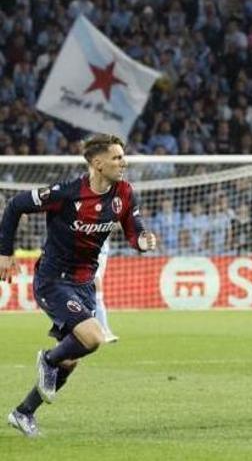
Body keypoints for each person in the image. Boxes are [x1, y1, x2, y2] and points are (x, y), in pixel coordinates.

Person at [0, 134, 157, 437]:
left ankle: (23, 412)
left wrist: (143, 240)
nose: (123, 163)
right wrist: (5, 253)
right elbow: (14, 206)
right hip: (53, 280)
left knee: (71, 360)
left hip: (85, 284)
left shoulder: (124, 192)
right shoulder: (67, 193)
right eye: (116, 158)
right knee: (94, 337)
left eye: (123, 157)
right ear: (97, 163)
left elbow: (134, 231)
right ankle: (47, 358)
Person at [94, 240, 118, 343]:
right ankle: (104, 330)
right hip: (88, 253)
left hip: (102, 252)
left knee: (91, 294)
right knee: (97, 289)